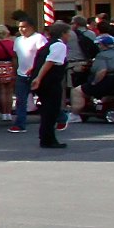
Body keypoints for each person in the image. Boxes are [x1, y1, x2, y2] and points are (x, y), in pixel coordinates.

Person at [33, 18, 72, 148]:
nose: (69, 36)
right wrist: (39, 78)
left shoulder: (48, 45)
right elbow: (49, 63)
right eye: (68, 33)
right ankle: (48, 139)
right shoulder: (59, 46)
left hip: (45, 82)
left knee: (47, 110)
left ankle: (46, 136)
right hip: (50, 82)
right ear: (63, 33)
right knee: (51, 110)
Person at [9, 16, 44, 132]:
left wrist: (36, 69)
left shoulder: (39, 38)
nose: (21, 29)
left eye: (24, 27)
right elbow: (15, 56)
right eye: (19, 27)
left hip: (36, 74)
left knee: (45, 98)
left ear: (31, 27)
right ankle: (20, 124)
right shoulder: (18, 40)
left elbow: (43, 55)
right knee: (20, 100)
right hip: (22, 74)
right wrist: (15, 70)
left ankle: (60, 117)